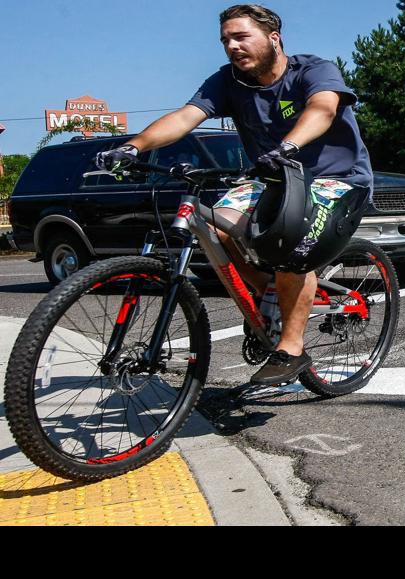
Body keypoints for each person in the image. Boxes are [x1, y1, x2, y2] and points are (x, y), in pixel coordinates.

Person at [94, 4, 374, 386]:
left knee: (295, 245)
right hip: (273, 177)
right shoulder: (228, 82)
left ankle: (291, 348)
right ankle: (268, 297)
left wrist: (288, 147)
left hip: (334, 178)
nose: (232, 46)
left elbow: (322, 108)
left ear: (273, 38)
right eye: (226, 40)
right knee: (216, 227)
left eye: (241, 36)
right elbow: (185, 116)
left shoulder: (313, 69)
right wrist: (133, 147)